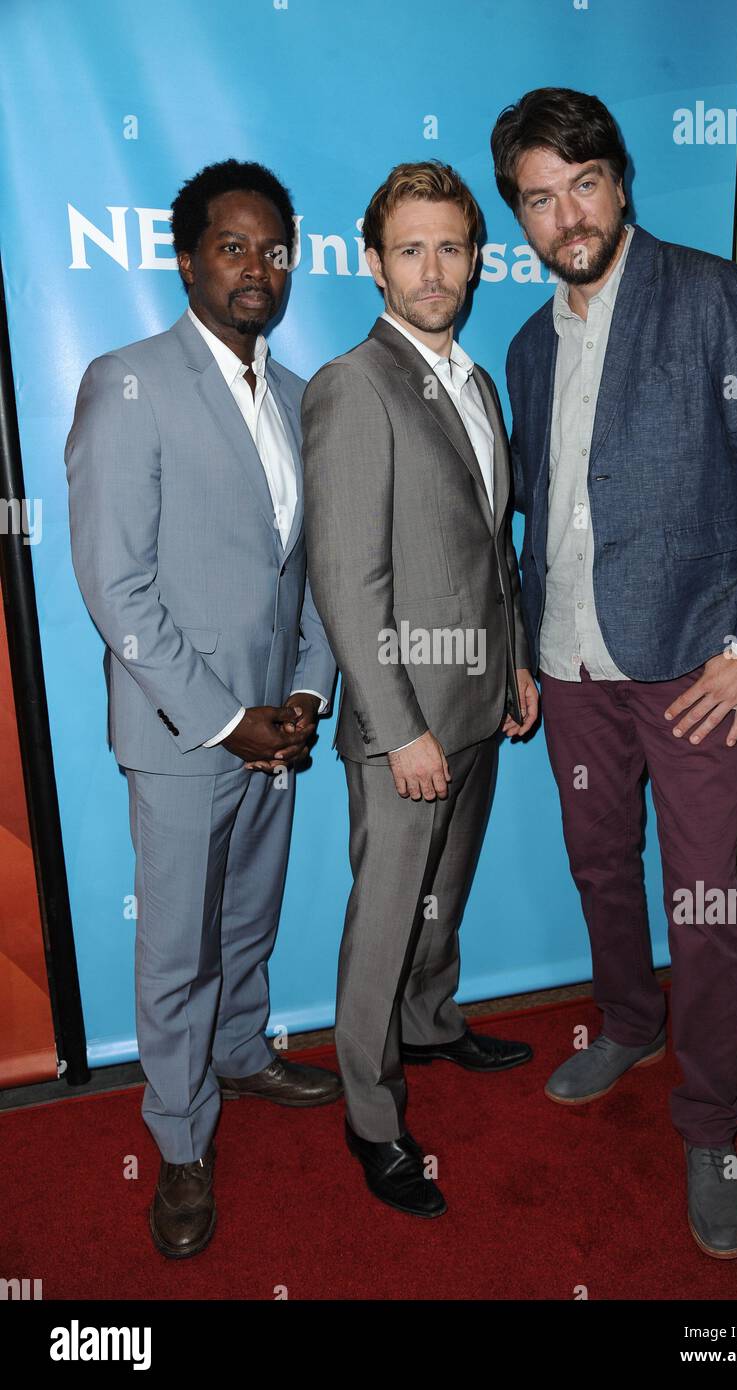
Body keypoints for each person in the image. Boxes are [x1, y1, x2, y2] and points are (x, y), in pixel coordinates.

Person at [492, 89, 737, 1258]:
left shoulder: (714, 296)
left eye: (583, 183)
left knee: (708, 905)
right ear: (519, 218)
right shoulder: (529, 346)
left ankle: (710, 1121)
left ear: (620, 182)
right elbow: (531, 519)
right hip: (572, 666)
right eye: (539, 196)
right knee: (598, 865)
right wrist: (529, 650)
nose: (566, 212)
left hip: (692, 665)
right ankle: (627, 1019)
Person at [65, 159, 340, 1259]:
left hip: (280, 725)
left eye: (275, 249)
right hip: (186, 736)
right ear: (186, 259)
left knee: (247, 920)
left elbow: (310, 570)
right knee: (174, 947)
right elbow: (113, 589)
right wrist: (229, 720)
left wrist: (307, 692)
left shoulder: (299, 394)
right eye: (233, 247)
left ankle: (239, 1051)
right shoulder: (125, 380)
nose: (257, 268)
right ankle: (180, 1143)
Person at [298, 160, 539, 1218]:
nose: (433, 270)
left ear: (476, 259)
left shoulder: (476, 382)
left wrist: (517, 660)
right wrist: (398, 730)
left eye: (451, 247)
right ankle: (372, 1115)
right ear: (372, 262)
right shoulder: (354, 385)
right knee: (387, 916)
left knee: (443, 900)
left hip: (480, 701)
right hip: (405, 725)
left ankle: (433, 1024)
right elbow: (346, 580)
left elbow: (496, 549)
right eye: (411, 249)